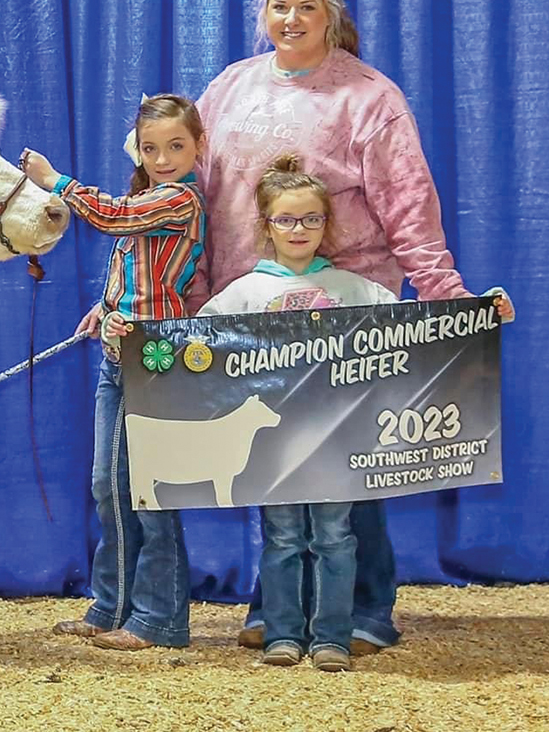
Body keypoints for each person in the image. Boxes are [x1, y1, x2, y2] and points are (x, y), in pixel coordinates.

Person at [77, 0, 513, 655]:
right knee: (270, 457)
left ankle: (364, 609)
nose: (290, 20)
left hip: (345, 304)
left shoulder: (370, 98)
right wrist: (158, 294)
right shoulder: (229, 89)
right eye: (279, 6)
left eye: (306, 7)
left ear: (331, 14)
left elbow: (409, 207)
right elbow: (190, 196)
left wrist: (448, 301)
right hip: (245, 304)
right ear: (264, 13)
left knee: (348, 461)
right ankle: (279, 606)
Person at [195, 156, 513, 671]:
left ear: (327, 224)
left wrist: (482, 314)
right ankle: (281, 633)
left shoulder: (357, 290)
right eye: (286, 220)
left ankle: (332, 638)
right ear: (266, 225)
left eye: (311, 219)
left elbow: (418, 335)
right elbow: (198, 352)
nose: (299, 230)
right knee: (281, 538)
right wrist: (130, 338)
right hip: (274, 448)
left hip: (340, 445)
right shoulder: (242, 294)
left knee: (336, 538)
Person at [26, 95, 207, 650]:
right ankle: (112, 604)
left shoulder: (179, 200)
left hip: (155, 359)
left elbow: (112, 218)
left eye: (176, 146)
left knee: (147, 490)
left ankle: (159, 618)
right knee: (110, 486)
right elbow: (136, 268)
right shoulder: (152, 196)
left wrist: (57, 182)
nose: (163, 157)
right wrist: (106, 307)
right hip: (119, 355)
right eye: (151, 148)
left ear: (199, 147)